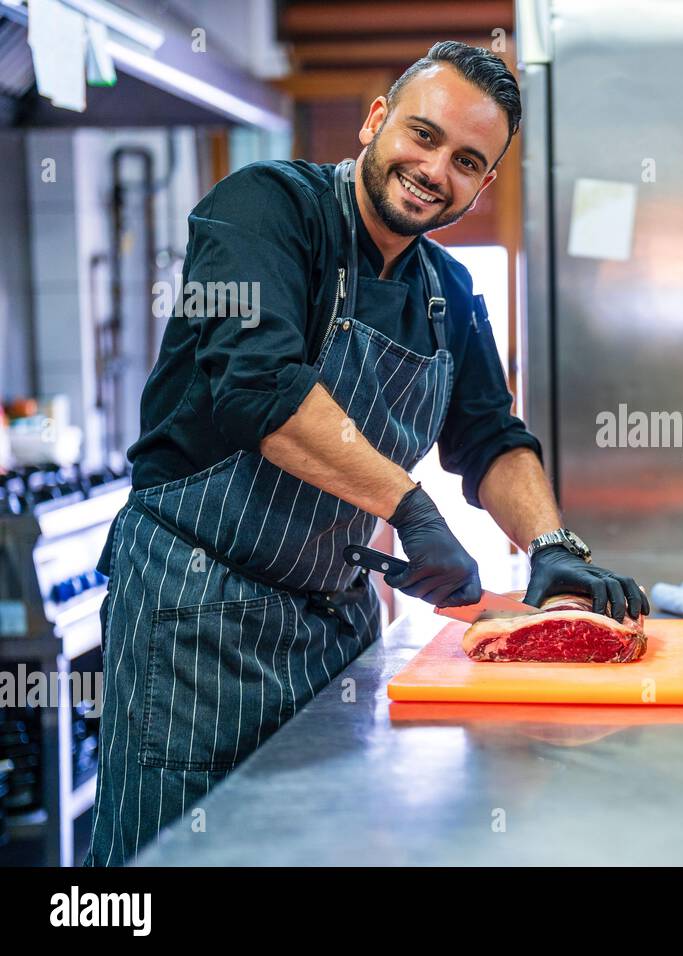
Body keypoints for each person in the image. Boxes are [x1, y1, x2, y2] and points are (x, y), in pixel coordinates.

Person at [85, 41, 645, 865]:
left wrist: (552, 545)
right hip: (192, 614)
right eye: (421, 135)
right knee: (172, 856)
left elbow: (491, 436)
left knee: (322, 844)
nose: (433, 169)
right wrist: (413, 510)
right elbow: (260, 390)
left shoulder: (448, 291)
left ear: (483, 184)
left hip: (330, 624)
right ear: (375, 119)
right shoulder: (264, 210)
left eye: (465, 161)